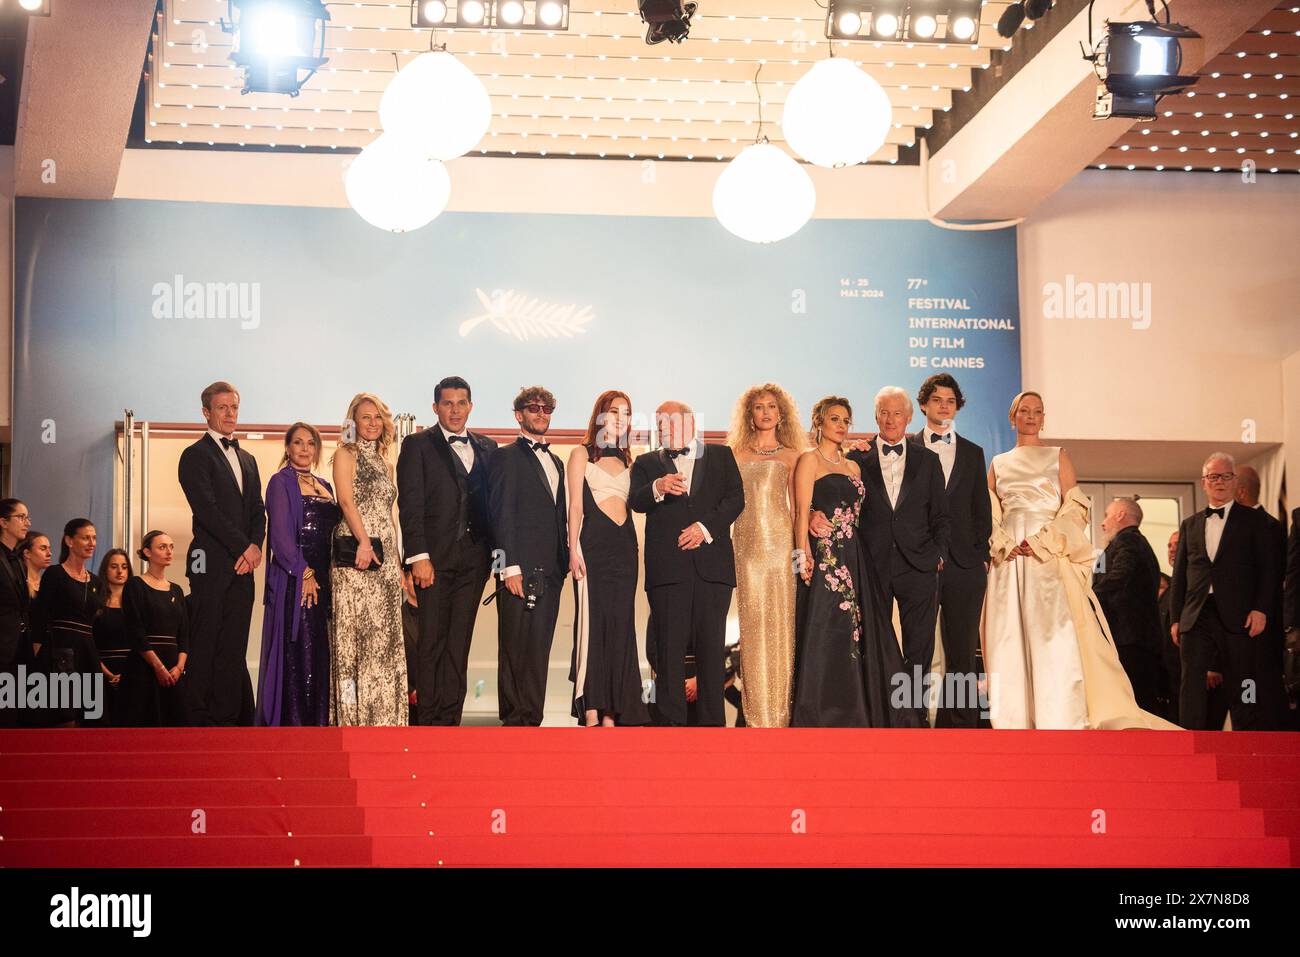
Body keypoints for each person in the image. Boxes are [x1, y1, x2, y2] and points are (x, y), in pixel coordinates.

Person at [984, 391, 1176, 730]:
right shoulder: (997, 463)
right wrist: (1002, 542)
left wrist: (1044, 540)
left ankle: (1057, 716)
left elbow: (1075, 509)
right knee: (1008, 635)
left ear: (1044, 418)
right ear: (1013, 416)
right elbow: (989, 512)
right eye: (1024, 411)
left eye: (1037, 411)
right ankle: (1013, 719)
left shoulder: (1058, 456)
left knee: (1050, 636)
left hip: (1046, 557)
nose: (1031, 416)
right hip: (1009, 559)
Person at [630, 401, 744, 727]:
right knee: (669, 652)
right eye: (658, 423)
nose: (662, 428)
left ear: (690, 422)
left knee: (711, 653)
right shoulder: (647, 462)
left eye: (668, 421)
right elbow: (635, 501)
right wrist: (657, 487)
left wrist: (704, 529)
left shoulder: (721, 456)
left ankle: (711, 731)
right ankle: (670, 730)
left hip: (713, 571)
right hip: (668, 572)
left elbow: (736, 498)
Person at [845, 386, 949, 728]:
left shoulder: (928, 461)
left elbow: (941, 516)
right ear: (876, 417)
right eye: (884, 413)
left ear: (909, 418)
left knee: (919, 646)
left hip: (918, 565)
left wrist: (937, 555)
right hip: (871, 565)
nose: (890, 420)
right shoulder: (856, 459)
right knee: (874, 643)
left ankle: (913, 716)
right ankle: (878, 714)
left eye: (897, 414)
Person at [396, 376, 498, 726]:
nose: (455, 410)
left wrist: (497, 559)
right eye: (448, 403)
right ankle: (428, 723)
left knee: (459, 645)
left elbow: (494, 508)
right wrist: (417, 557)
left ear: (470, 406)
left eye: (461, 403)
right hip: (433, 562)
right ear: (435, 407)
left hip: (474, 561)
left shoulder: (488, 448)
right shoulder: (416, 444)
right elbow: (410, 506)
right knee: (432, 643)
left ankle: (450, 725)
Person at [791, 397, 899, 727]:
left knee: (857, 629)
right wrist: (801, 555)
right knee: (824, 629)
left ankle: (856, 709)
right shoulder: (809, 460)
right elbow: (800, 511)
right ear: (819, 422)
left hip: (854, 557)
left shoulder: (854, 466)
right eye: (834, 418)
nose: (840, 425)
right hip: (824, 557)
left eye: (846, 420)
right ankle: (823, 710)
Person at [177, 380, 265, 726]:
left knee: (233, 648)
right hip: (210, 566)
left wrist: (255, 547)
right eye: (222, 408)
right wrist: (244, 546)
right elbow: (207, 510)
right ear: (206, 413)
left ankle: (227, 724)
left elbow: (258, 510)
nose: (230, 414)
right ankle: (198, 722)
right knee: (205, 644)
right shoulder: (194, 456)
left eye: (234, 407)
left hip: (244, 568)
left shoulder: (249, 459)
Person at [1171, 453, 1280, 731]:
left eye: (1225, 476)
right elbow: (1180, 574)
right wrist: (1175, 618)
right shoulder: (1190, 524)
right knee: (1191, 681)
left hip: (1239, 613)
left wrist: (1261, 609)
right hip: (1196, 614)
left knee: (1244, 679)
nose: (1219, 482)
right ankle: (1190, 740)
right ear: (1204, 483)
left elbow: (1268, 570)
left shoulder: (1254, 521)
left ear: (1234, 482)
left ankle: (1248, 739)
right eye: (1213, 477)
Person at [566, 390, 649, 727]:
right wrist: (572, 549)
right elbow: (575, 507)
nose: (620, 418)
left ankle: (613, 711)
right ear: (600, 415)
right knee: (591, 625)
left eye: (626, 413)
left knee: (621, 626)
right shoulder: (580, 454)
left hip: (625, 551)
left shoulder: (634, 461)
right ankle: (590, 708)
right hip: (592, 549)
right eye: (613, 411)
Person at [913, 374, 991, 728]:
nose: (943, 406)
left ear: (957, 406)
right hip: (918, 563)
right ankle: (911, 717)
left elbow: (981, 511)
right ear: (924, 404)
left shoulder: (974, 453)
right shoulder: (908, 448)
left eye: (950, 400)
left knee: (961, 650)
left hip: (964, 565)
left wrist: (977, 556)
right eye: (937, 399)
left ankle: (959, 722)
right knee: (917, 647)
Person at [490, 386, 569, 727]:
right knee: (515, 649)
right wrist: (507, 567)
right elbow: (498, 514)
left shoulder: (557, 461)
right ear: (518, 414)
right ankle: (514, 724)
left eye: (546, 409)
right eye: (533, 408)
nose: (540, 413)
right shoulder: (503, 457)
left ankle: (531, 724)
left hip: (551, 571)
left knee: (538, 650)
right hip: (517, 570)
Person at [726, 384, 804, 728]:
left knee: (783, 629)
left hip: (781, 548)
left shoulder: (793, 456)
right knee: (753, 629)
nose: (766, 412)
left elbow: (799, 509)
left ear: (781, 412)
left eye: (772, 406)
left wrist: (801, 555)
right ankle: (757, 717)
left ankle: (782, 715)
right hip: (747, 548)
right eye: (759, 407)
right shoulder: (735, 454)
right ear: (750, 414)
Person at [331, 393, 407, 726]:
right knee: (352, 642)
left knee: (384, 642)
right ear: (353, 422)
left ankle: (385, 718)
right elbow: (346, 502)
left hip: (386, 562)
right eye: (365, 417)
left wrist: (399, 566)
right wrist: (363, 542)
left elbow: (391, 517)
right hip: (357, 561)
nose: (373, 423)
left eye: (377, 417)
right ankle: (351, 716)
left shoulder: (385, 462)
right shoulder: (344, 455)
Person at [257, 422, 339, 727]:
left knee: (320, 652)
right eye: (298, 443)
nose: (304, 449)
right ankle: (296, 725)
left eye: (310, 443)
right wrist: (304, 572)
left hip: (325, 580)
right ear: (288, 448)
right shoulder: (280, 482)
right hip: (296, 579)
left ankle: (319, 723)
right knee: (299, 651)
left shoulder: (325, 485)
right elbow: (279, 538)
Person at [1093, 498, 1163, 714]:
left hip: (1130, 638)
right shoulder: (1133, 542)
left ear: (1121, 515)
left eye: (1107, 515)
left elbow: (1119, 577)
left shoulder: (1128, 542)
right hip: (1135, 637)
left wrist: (1089, 600)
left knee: (1135, 699)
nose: (1103, 523)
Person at [31, 519, 104, 727]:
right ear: (69, 541)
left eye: (94, 538)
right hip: (61, 648)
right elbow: (40, 614)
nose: (91, 543)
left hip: (87, 649)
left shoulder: (96, 582)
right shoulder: (55, 574)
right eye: (85, 538)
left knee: (90, 713)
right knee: (64, 712)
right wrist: (39, 651)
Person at [1233, 465, 1289, 728]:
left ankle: (1262, 739)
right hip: (1233, 624)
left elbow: (1273, 575)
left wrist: (1260, 610)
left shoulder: (1269, 527)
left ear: (1241, 491)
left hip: (1262, 622)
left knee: (1261, 683)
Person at [124, 531, 190, 727]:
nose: (169, 551)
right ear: (147, 552)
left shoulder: (176, 590)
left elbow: (184, 634)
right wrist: (158, 667)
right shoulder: (135, 585)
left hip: (173, 668)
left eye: (171, 546)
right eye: (162, 547)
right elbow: (135, 630)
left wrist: (179, 667)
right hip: (144, 666)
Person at [92, 548, 135, 727]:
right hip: (100, 670)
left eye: (124, 567)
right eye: (114, 566)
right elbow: (90, 643)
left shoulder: (137, 603)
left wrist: (127, 675)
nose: (120, 571)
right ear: (105, 569)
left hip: (133, 671)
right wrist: (109, 675)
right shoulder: (95, 602)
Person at [0, 499, 34, 726]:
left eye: (27, 517)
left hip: (19, 645)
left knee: (14, 715)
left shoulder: (19, 561)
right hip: (2, 643)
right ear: (3, 522)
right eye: (21, 517)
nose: (27, 523)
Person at [19, 530, 52, 605]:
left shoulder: (48, 584)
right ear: (27, 553)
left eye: (49, 549)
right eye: (43, 549)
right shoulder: (19, 585)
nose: (49, 553)